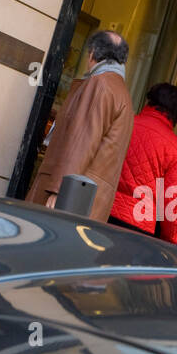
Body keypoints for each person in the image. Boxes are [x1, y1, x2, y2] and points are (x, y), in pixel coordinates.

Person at [26, 30, 134, 220]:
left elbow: (82, 142)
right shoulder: (122, 92)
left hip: (70, 198)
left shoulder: (100, 84)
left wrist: (58, 189)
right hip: (89, 201)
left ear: (92, 53)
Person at [109, 83, 177, 243]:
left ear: (149, 101)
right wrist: (169, 240)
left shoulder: (125, 123)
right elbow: (171, 205)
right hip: (139, 226)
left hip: (103, 209)